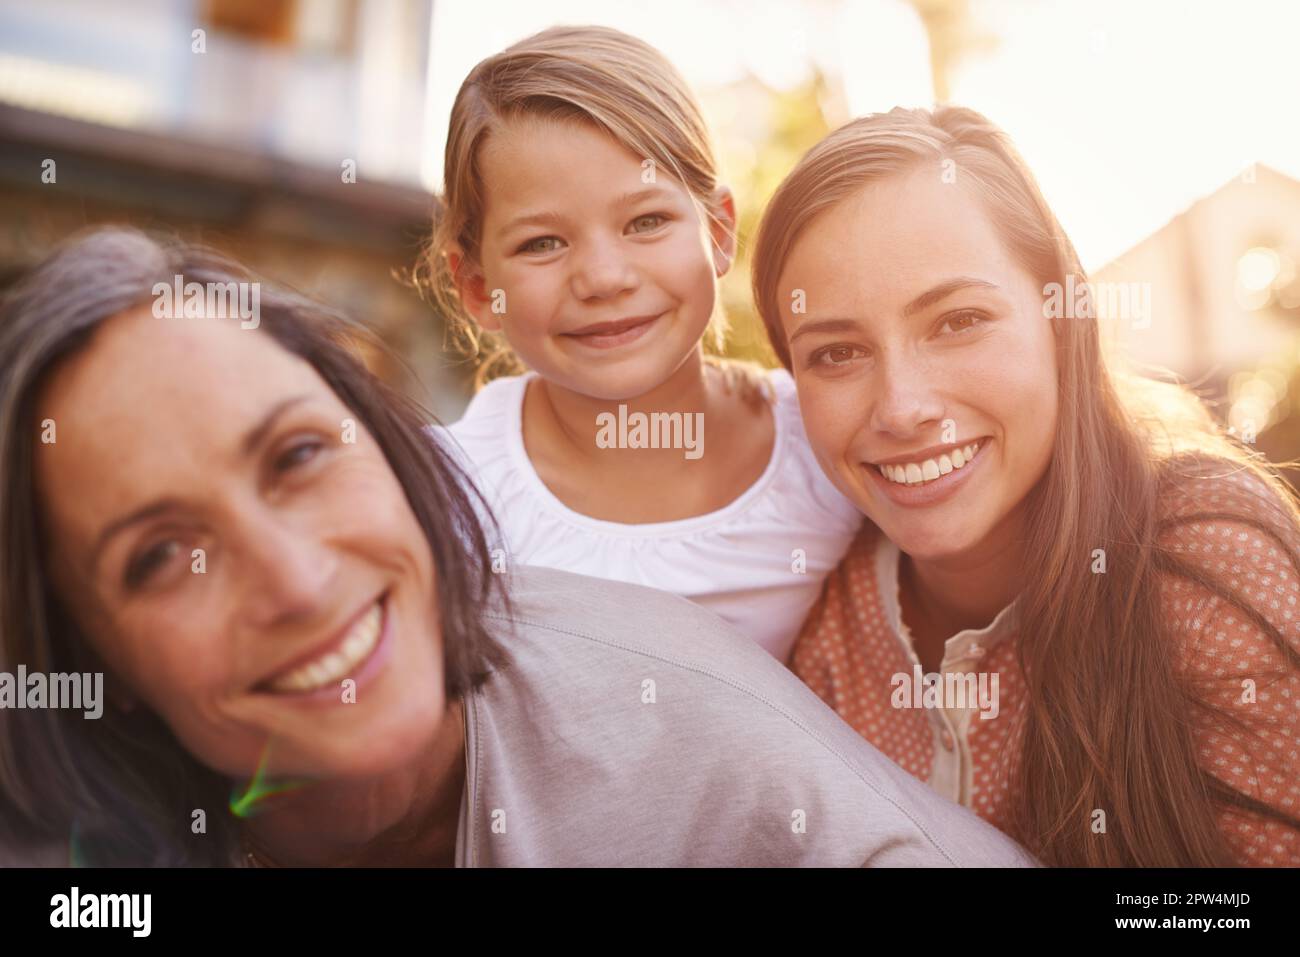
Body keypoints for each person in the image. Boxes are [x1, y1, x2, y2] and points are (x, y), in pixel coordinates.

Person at [0, 227, 1036, 868]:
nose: (298, 583)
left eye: (300, 456)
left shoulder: (694, 733)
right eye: (156, 557)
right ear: (93, 659)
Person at [750, 105, 1300, 866]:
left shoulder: (1202, 553)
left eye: (958, 321)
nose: (903, 407)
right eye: (837, 353)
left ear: (1062, 320)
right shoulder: (806, 605)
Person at [423, 26, 860, 662]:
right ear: (477, 286)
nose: (603, 278)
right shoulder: (449, 500)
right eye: (542, 243)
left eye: (646, 221)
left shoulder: (824, 443)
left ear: (717, 231)